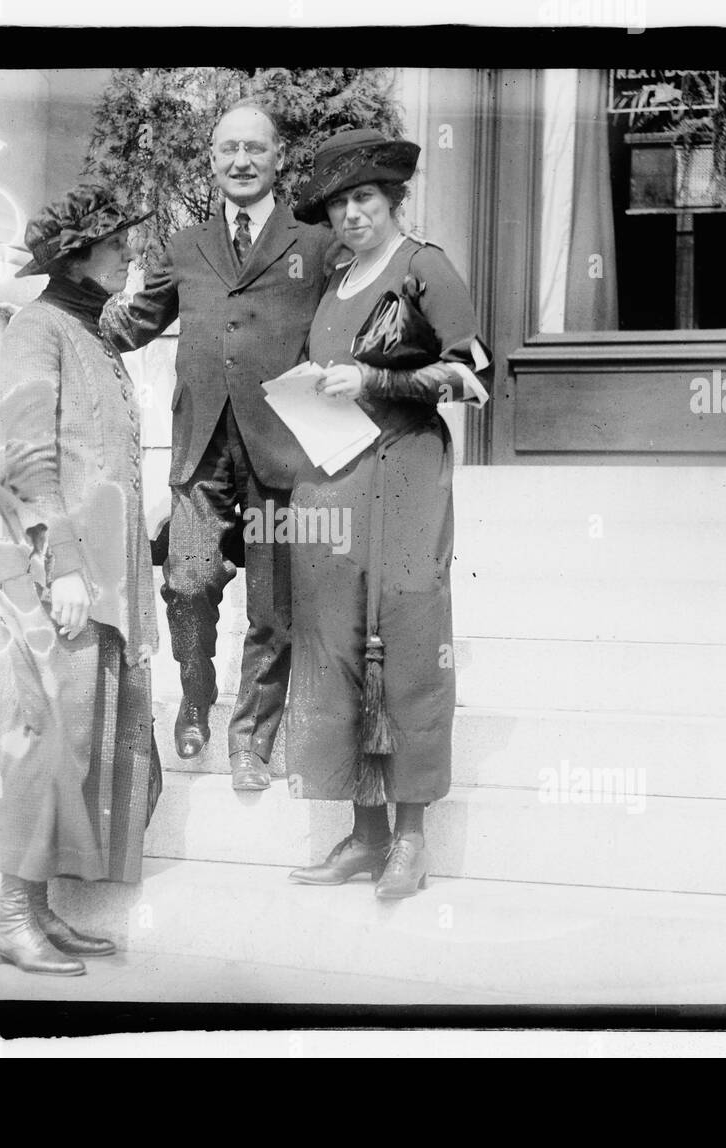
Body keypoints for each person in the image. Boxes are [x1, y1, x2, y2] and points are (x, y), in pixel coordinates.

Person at [101, 100, 336, 791]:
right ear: (212, 160)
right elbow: (136, 323)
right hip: (200, 446)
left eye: (255, 149)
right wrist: (56, 309)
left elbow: (352, 322)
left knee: (273, 606)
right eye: (229, 148)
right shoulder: (185, 246)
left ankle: (251, 742)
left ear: (278, 158)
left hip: (283, 451)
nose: (241, 161)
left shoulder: (316, 246)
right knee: (187, 580)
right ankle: (196, 693)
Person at [283, 128, 493, 900]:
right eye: (339, 204)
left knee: (405, 641)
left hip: (405, 475)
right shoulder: (337, 281)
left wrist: (375, 381)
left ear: (394, 199)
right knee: (339, 647)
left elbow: (474, 376)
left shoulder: (423, 266)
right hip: (336, 481)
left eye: (365, 197)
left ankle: (409, 839)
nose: (352, 214)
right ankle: (363, 835)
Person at [0, 184, 161, 975]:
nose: (128, 256)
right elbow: (29, 461)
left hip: (104, 578)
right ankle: (11, 915)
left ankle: (39, 911)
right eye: (116, 245)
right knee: (50, 741)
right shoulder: (37, 329)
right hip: (59, 578)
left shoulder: (91, 331)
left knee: (78, 744)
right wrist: (66, 568)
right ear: (77, 255)